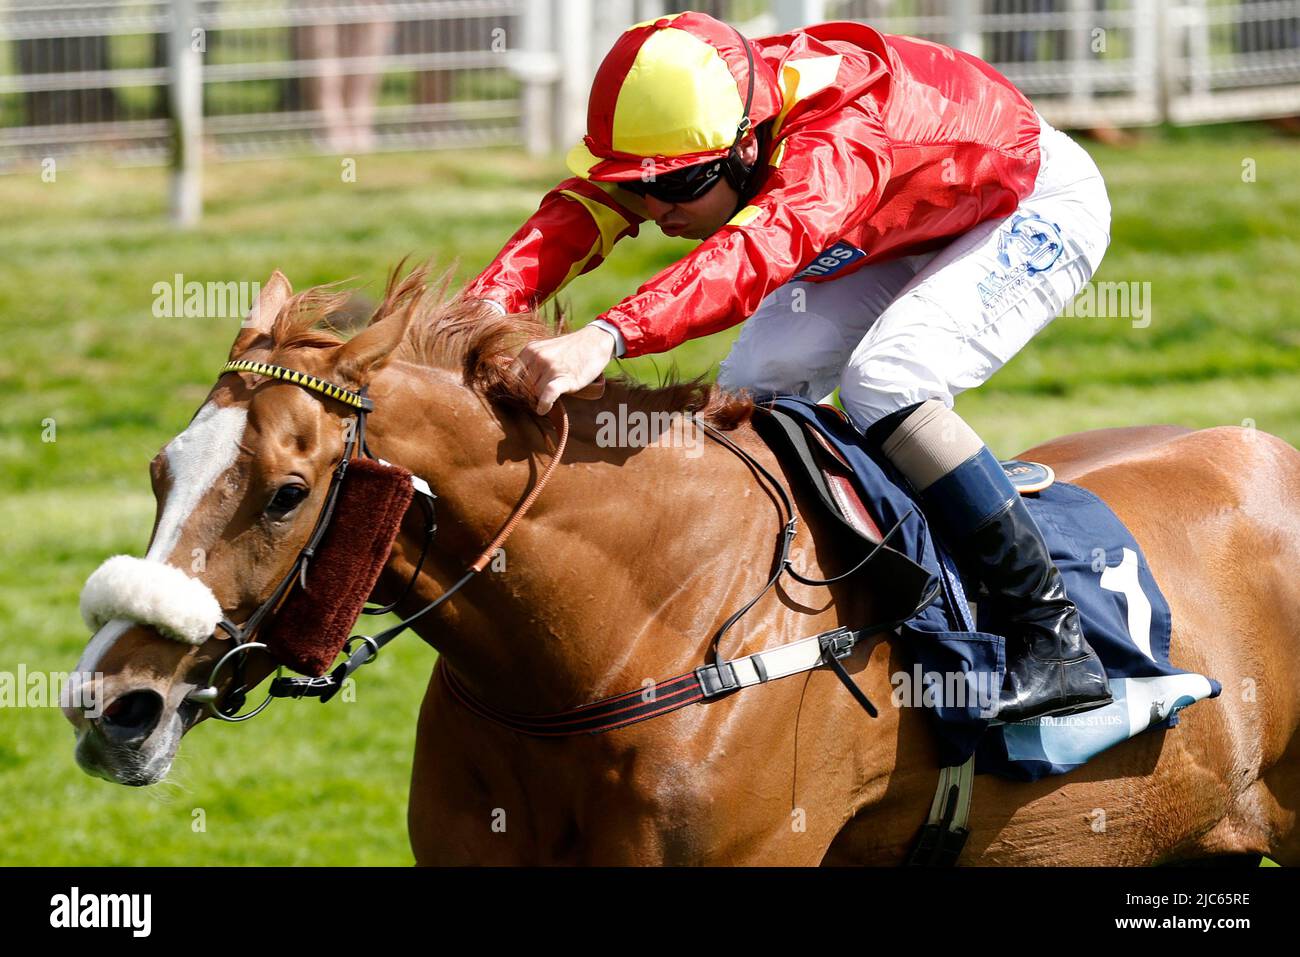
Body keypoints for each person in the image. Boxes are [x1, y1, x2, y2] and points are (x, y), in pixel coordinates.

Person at [464, 11, 1113, 722]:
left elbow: (755, 254)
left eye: (676, 187)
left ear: (745, 146)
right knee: (754, 393)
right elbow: (585, 207)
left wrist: (608, 335)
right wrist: (475, 312)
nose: (652, 209)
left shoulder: (835, 142)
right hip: (893, 217)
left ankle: (1054, 639)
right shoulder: (704, 121)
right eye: (638, 185)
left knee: (887, 379)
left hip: (1021, 203)